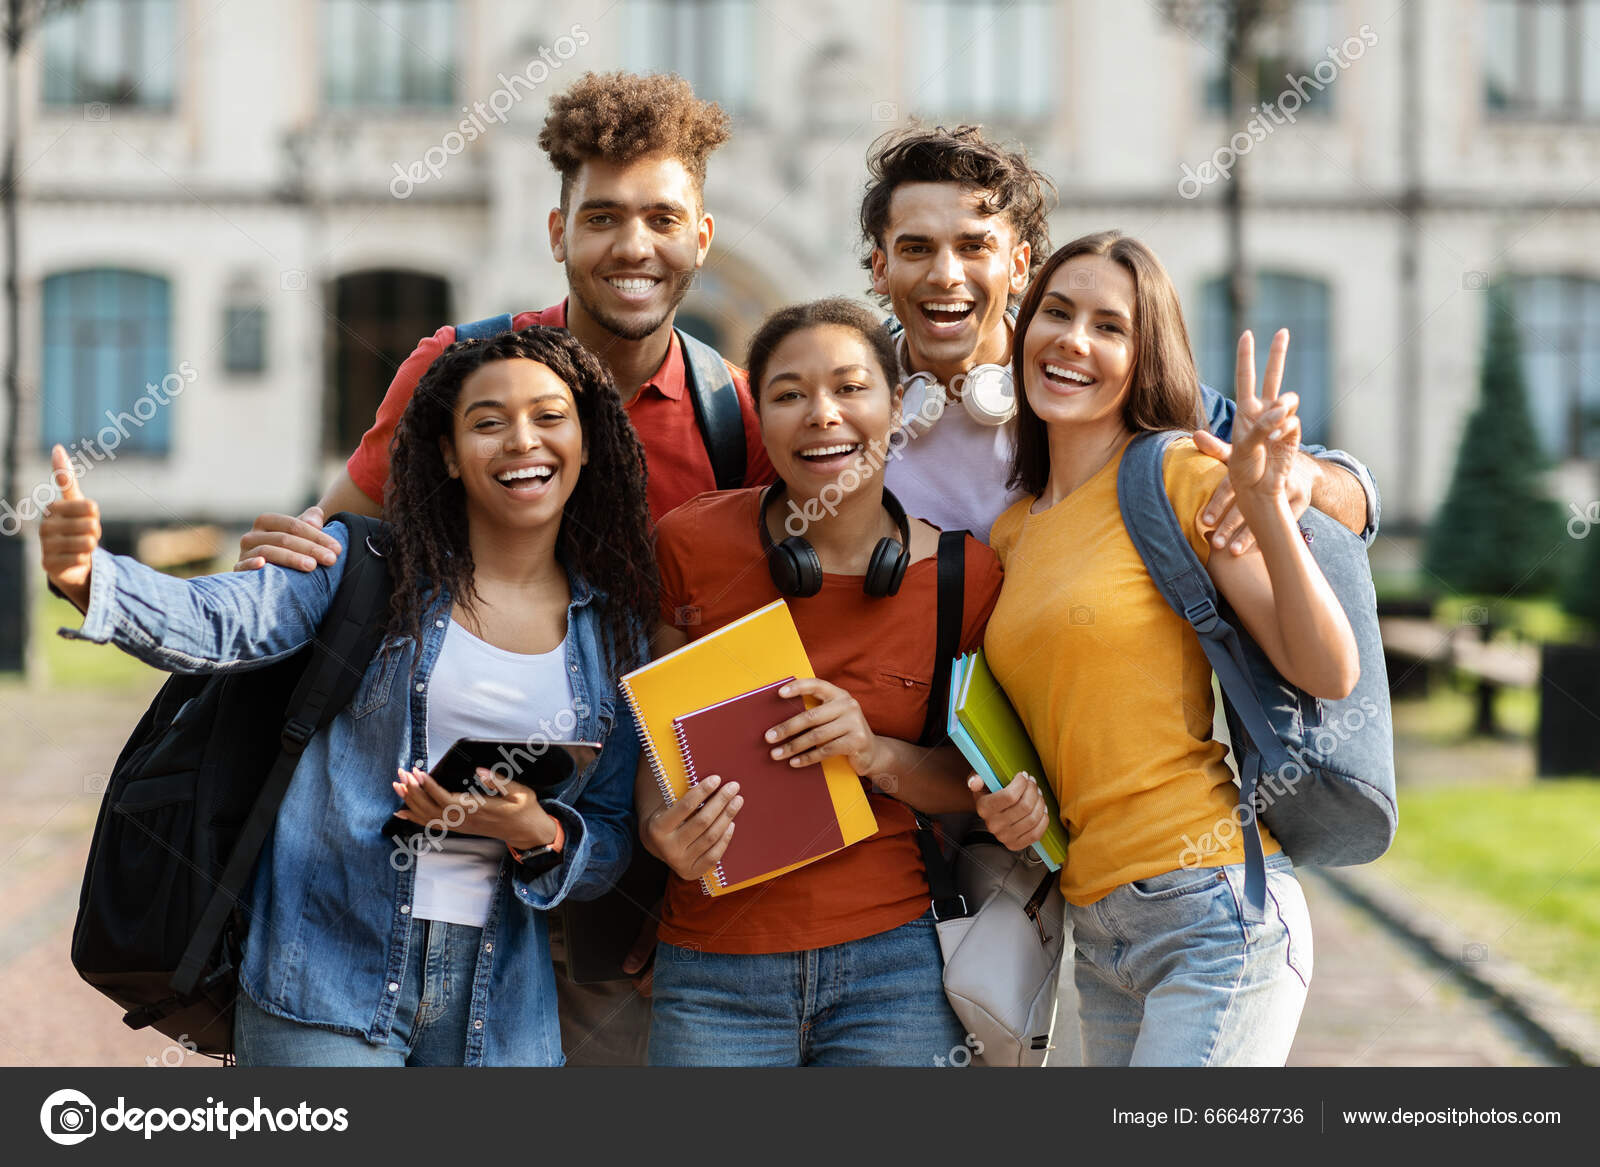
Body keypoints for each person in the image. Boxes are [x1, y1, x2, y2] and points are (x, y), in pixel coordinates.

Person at [230, 71, 775, 1065]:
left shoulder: (736, 414)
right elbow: (344, 534)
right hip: (415, 871)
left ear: (701, 234)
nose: (633, 245)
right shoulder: (455, 368)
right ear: (558, 231)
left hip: (623, 878)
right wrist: (289, 548)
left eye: (662, 217)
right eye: (603, 216)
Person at [40, 327, 656, 1066]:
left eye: (550, 417)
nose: (522, 440)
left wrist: (538, 832)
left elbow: (612, 831)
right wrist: (90, 579)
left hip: (501, 1012)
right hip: (327, 978)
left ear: (586, 443)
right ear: (450, 456)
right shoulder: (364, 569)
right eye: (488, 422)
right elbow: (222, 620)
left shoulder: (614, 631)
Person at [973, 231, 1359, 1066]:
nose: (1075, 340)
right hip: (1099, 930)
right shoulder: (1012, 530)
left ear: (1144, 359)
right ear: (1023, 329)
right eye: (1058, 312)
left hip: (1214, 908)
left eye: (1111, 327)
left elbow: (1330, 666)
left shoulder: (1179, 474)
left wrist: (1262, 508)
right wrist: (1014, 801)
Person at [637, 297, 1006, 1066]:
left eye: (850, 387)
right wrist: (659, 833)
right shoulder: (688, 543)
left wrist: (875, 753)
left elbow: (972, 781)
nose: (822, 414)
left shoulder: (966, 578)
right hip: (713, 970)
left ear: (898, 404)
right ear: (762, 420)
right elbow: (654, 744)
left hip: (895, 967)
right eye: (789, 394)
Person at [860, 124, 1379, 549]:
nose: (945, 274)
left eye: (974, 247)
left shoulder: (1092, 380)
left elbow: (1356, 496)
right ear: (881, 269)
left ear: (1018, 267)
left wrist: (1303, 480)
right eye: (916, 249)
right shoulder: (839, 396)